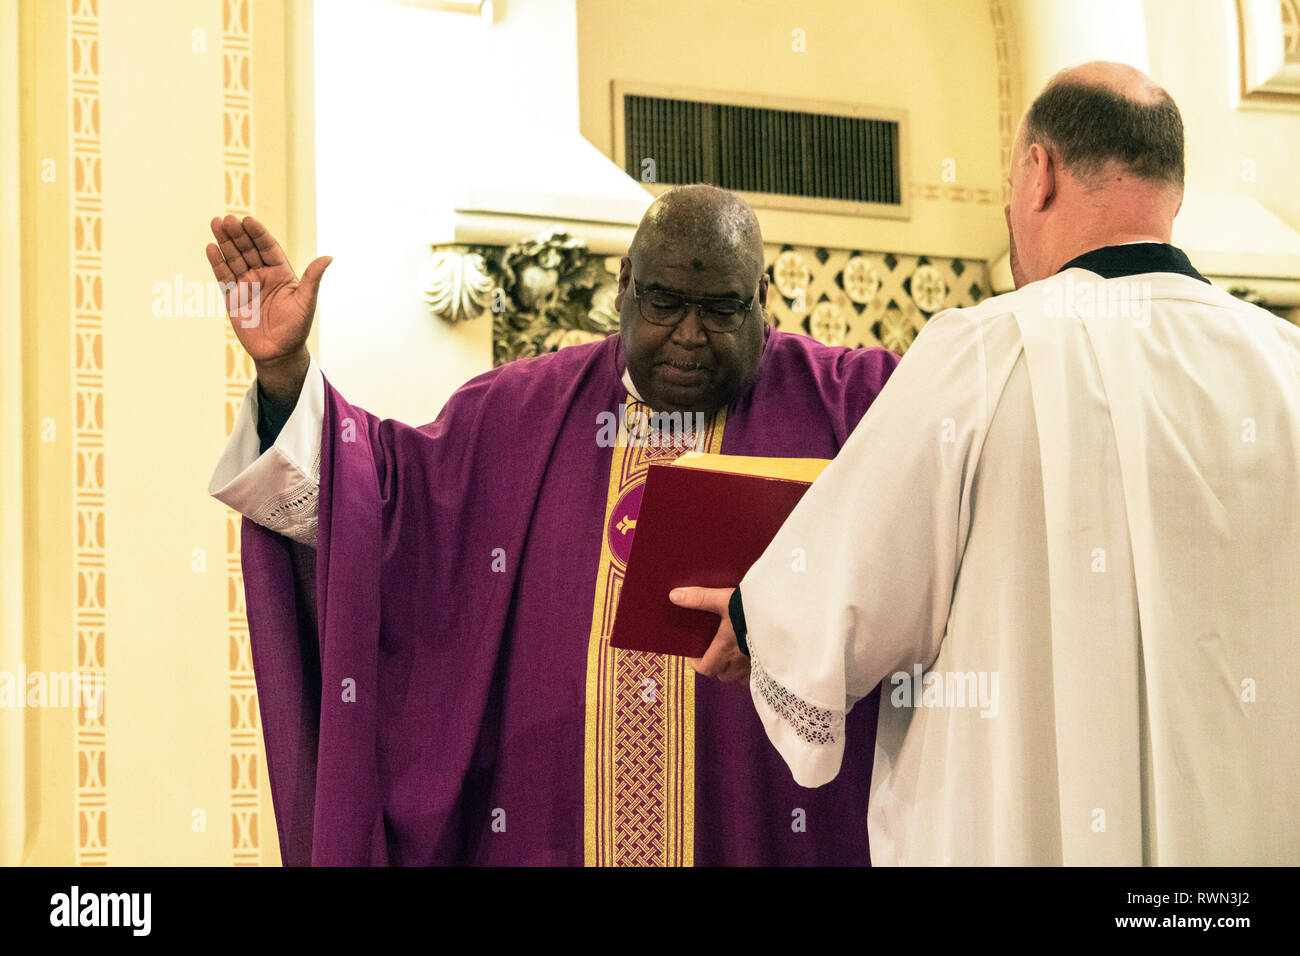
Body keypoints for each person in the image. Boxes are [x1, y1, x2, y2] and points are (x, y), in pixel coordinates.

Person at [678, 62, 1300, 865]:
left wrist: (755, 621)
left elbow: (835, 607)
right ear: (1173, 195)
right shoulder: (1288, 367)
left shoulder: (983, 352)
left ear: (1037, 174)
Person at [205, 184, 900, 865]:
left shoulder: (856, 408)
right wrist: (286, 372)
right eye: (665, 302)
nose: (690, 336)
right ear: (625, 285)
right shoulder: (515, 416)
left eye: (722, 309)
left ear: (763, 296)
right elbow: (375, 508)